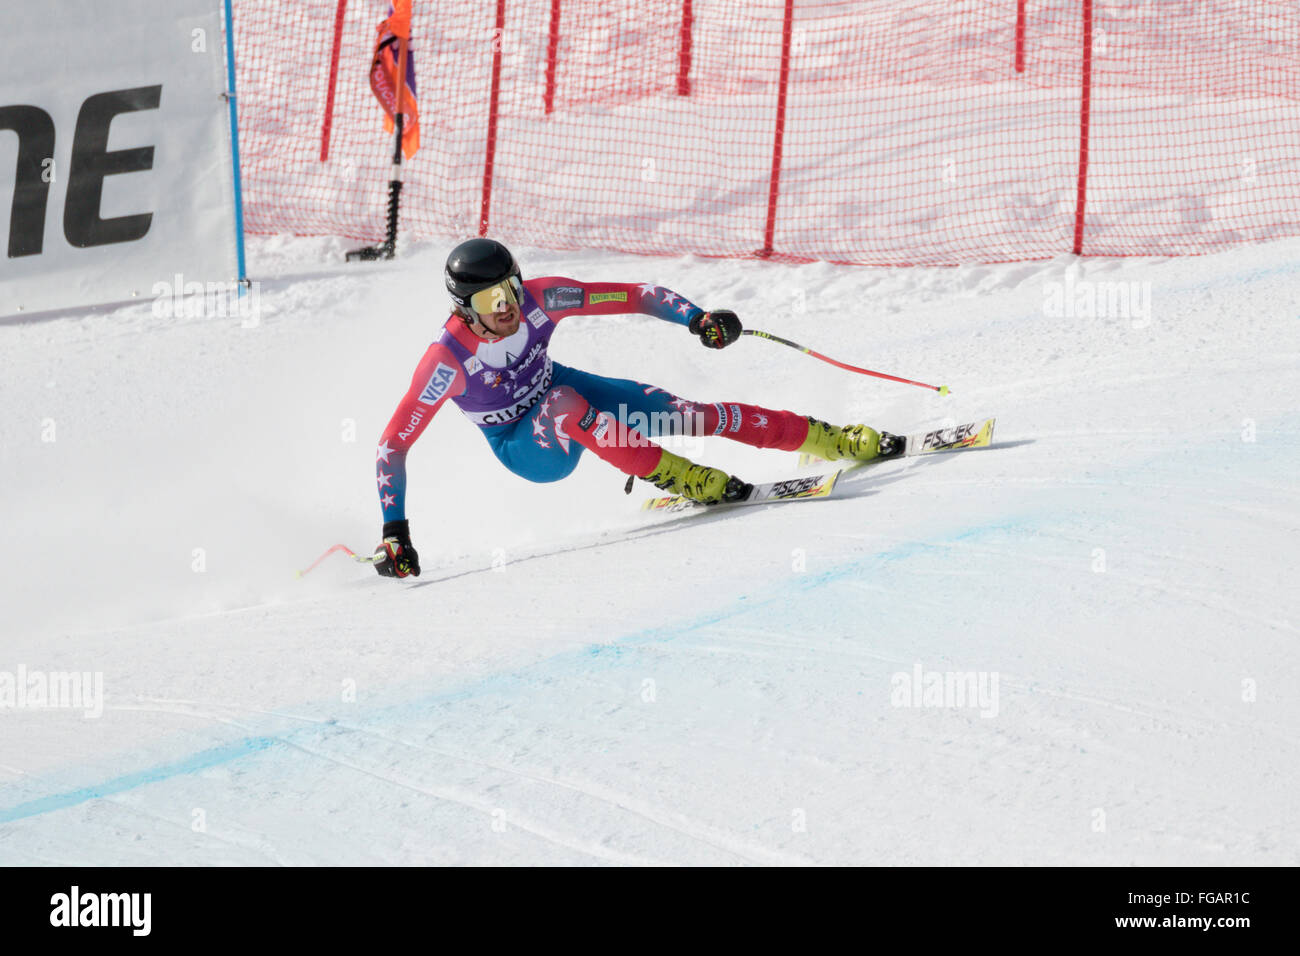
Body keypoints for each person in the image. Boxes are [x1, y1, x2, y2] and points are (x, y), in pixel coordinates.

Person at [372, 238, 902, 577]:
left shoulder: (543, 298)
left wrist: (697, 320)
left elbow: (635, 294)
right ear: (465, 309)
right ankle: (686, 477)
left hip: (567, 393)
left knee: (688, 413)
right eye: (491, 301)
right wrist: (394, 531)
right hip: (525, 445)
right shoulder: (446, 360)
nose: (508, 306)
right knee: (562, 404)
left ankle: (825, 438)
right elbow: (392, 444)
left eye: (510, 288)